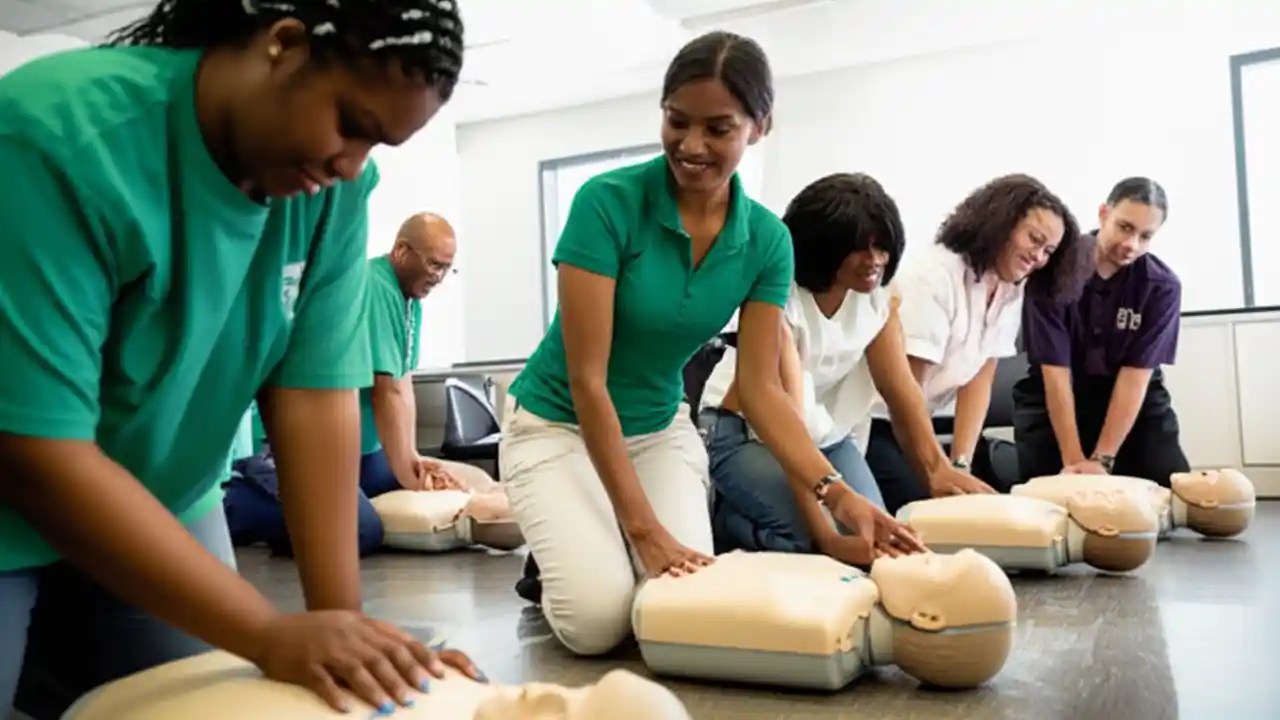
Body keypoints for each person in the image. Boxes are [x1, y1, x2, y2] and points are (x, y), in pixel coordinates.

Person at [0, 2, 482, 718]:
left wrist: (340, 630)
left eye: (376, 144)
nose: (349, 165)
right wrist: (265, 631)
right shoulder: (58, 137)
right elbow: (38, 449)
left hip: (165, 495)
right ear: (283, 46)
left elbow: (313, 397)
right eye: (349, 123)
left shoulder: (334, 190)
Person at [499, 31, 923, 657]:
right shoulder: (607, 204)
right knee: (599, 624)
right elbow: (588, 381)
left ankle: (598, 534)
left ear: (760, 127)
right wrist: (642, 529)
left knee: (679, 601)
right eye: (677, 122)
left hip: (656, 430)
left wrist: (836, 491)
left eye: (719, 129)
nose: (692, 147)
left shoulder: (766, 241)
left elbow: (761, 388)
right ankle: (581, 537)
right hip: (557, 424)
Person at [698, 172, 987, 563]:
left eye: (882, 247)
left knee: (877, 539)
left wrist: (938, 469)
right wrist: (826, 538)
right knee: (819, 545)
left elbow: (900, 390)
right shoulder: (779, 298)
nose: (875, 261)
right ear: (823, 247)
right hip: (742, 431)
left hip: (824, 434)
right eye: (860, 249)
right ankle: (731, 522)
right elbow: (788, 421)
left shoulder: (880, 296)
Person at [863, 174, 1089, 514]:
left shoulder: (1011, 287)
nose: (1039, 257)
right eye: (1034, 239)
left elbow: (980, 380)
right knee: (931, 513)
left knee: (979, 505)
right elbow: (904, 391)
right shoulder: (936, 275)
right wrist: (937, 471)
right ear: (1001, 222)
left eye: (1049, 251)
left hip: (914, 425)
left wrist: (961, 463)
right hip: (877, 423)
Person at [1012, 177, 1189, 485]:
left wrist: (1102, 460)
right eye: (1125, 227)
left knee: (1170, 488)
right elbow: (1055, 373)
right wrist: (1074, 461)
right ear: (1104, 213)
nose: (1132, 244)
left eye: (1145, 236)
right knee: (1047, 493)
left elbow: (1135, 378)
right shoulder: (1051, 272)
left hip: (1131, 398)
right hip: (1055, 393)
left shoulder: (1162, 287)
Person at [358, 211, 468, 499]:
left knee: (456, 482)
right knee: (364, 529)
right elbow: (387, 392)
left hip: (368, 449)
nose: (439, 277)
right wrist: (410, 480)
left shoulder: (411, 298)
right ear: (402, 251)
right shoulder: (375, 286)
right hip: (334, 445)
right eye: (434, 265)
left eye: (447, 268)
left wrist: (412, 457)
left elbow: (403, 384)